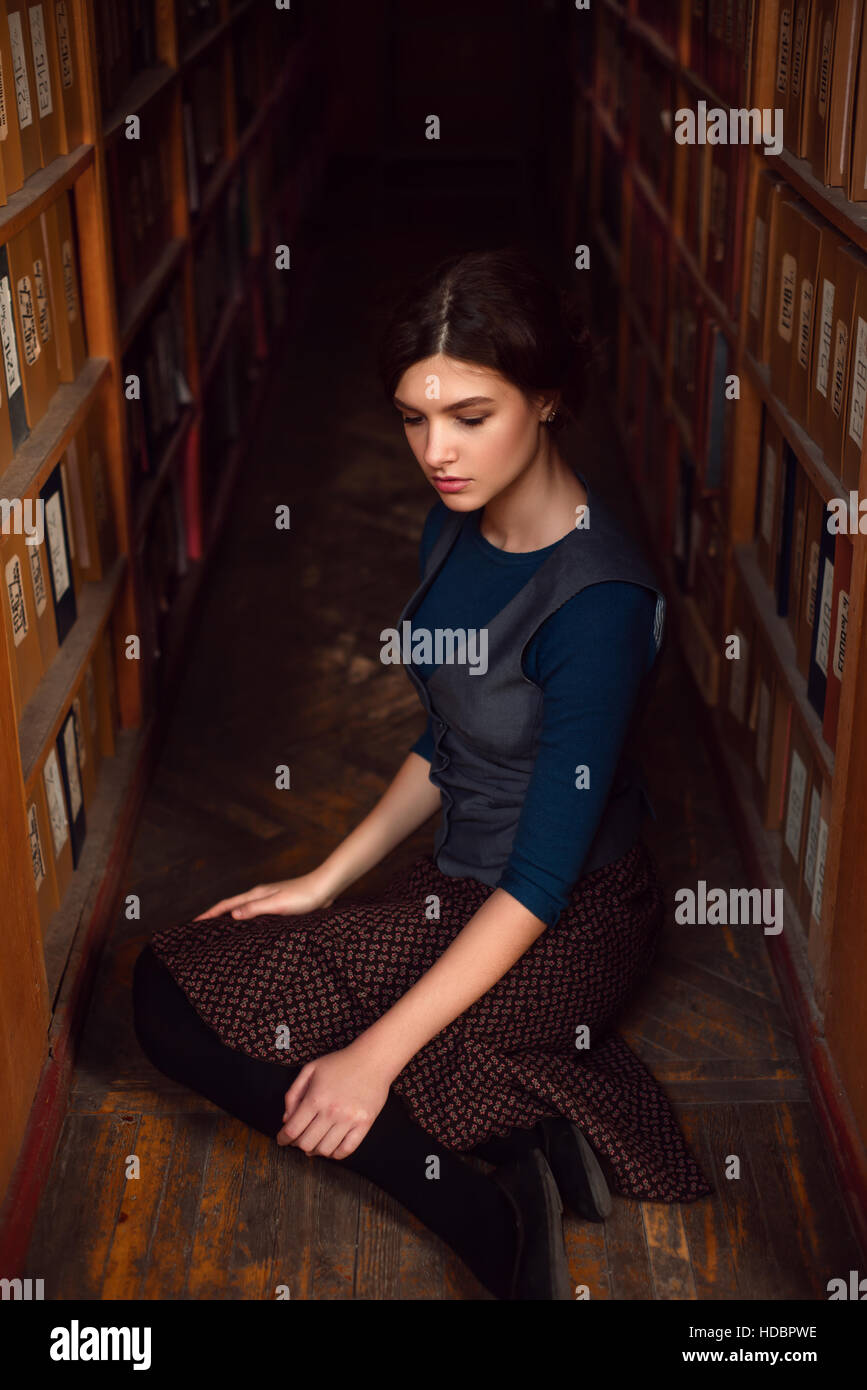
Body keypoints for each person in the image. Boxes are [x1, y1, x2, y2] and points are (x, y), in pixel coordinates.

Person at [133, 247, 713, 1302]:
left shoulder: (599, 602)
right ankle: (522, 1122)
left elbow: (541, 878)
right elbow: (449, 743)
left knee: (382, 1064)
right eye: (414, 417)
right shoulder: (450, 524)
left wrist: (374, 1058)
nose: (436, 451)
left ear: (546, 398)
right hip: (456, 885)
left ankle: (483, 1207)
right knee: (171, 992)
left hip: (567, 913)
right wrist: (323, 879)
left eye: (470, 416)